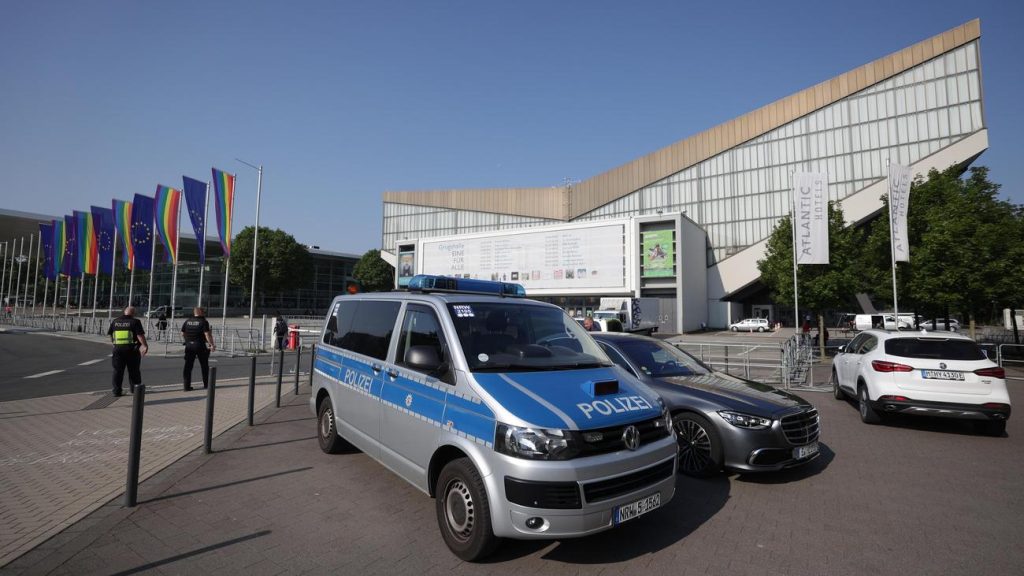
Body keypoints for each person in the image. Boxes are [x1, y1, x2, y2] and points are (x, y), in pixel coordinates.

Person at [107, 306, 148, 397]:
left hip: (118, 350)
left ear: (124, 312)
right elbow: (139, 335)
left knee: (117, 371)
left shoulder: (115, 321)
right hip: (131, 350)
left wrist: (114, 344)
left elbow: (110, 334)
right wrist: (145, 345)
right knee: (134, 371)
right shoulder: (135, 322)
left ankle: (116, 391)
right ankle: (135, 390)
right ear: (133, 313)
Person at [181, 306, 215, 391]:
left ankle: (186, 386)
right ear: (200, 312)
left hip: (189, 346)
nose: (204, 314)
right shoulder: (203, 322)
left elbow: (182, 333)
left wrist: (187, 340)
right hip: (200, 345)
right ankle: (207, 385)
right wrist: (212, 344)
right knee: (204, 366)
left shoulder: (187, 321)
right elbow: (207, 334)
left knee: (188, 367)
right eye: (203, 312)